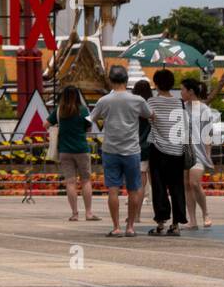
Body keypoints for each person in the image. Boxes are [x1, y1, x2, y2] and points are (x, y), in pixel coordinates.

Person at [89, 66, 150, 236]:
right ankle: (130, 227)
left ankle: (116, 227)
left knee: (113, 190)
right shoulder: (137, 100)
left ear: (110, 80)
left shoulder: (104, 101)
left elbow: (90, 119)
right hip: (132, 150)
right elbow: (150, 115)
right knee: (133, 189)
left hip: (110, 149)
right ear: (126, 79)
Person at [142, 69, 187, 235]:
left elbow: (148, 118)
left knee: (159, 187)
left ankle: (160, 223)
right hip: (177, 151)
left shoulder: (151, 102)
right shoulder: (179, 103)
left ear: (156, 83)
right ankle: (176, 224)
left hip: (158, 149)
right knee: (177, 187)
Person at [49, 85, 98, 222]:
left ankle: (74, 214)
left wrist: (59, 126)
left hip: (65, 151)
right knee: (86, 180)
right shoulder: (83, 110)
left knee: (70, 182)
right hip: (81, 149)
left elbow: (45, 124)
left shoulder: (59, 111)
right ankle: (88, 213)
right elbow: (88, 128)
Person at [181, 78, 214, 229]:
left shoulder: (203, 109)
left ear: (191, 91)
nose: (180, 93)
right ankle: (192, 220)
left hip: (198, 153)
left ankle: (205, 213)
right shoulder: (181, 108)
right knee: (186, 185)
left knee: (194, 183)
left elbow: (208, 134)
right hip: (183, 151)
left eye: (182, 90)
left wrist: (208, 156)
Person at [132, 78, 154, 205]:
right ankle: (155, 204)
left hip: (137, 146)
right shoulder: (152, 105)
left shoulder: (133, 106)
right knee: (154, 179)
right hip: (153, 145)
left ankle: (137, 213)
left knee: (140, 180)